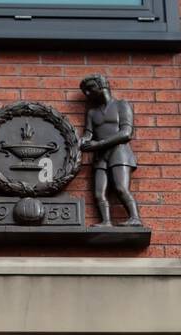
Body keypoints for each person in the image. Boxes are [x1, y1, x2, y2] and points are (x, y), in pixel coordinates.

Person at [79, 75, 142, 227]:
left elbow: (126, 133)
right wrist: (83, 140)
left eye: (90, 89)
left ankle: (135, 218)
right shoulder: (92, 113)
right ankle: (106, 221)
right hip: (100, 156)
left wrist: (98, 144)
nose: (88, 94)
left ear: (101, 86)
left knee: (121, 188)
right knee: (99, 193)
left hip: (119, 152)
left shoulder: (121, 105)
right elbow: (88, 133)